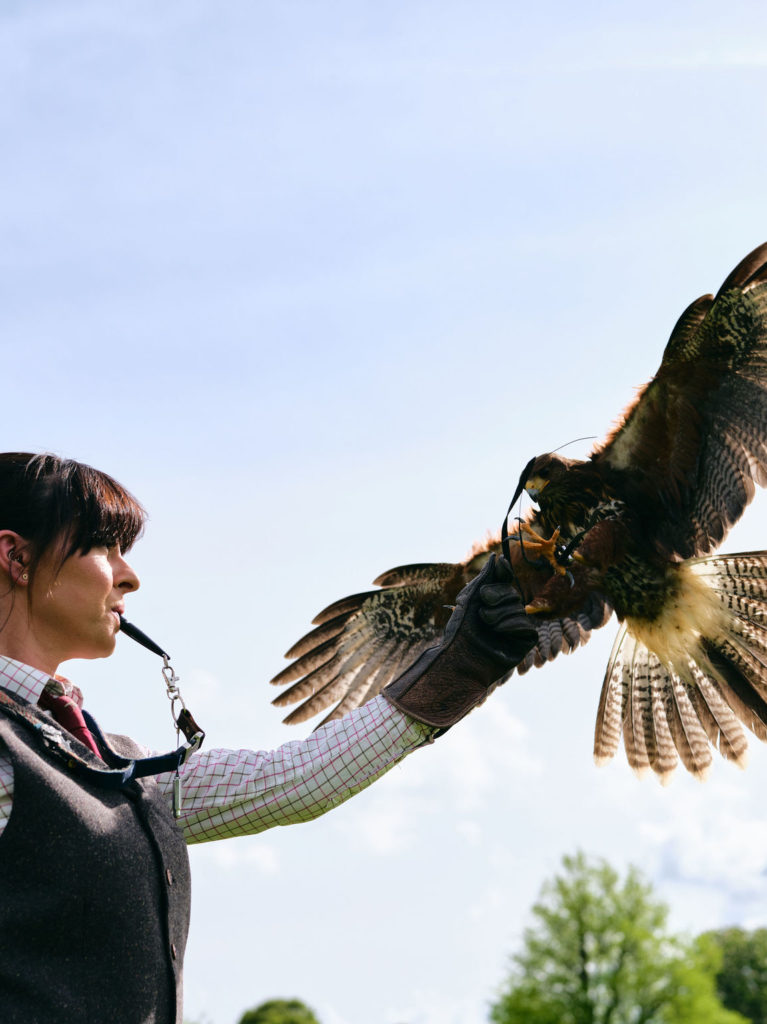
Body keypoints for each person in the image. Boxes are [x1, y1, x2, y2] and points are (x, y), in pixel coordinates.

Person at [0, 452, 537, 1024]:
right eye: (103, 546)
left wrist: (464, 662)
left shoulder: (117, 766)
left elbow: (292, 781)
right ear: (16, 556)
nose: (130, 575)